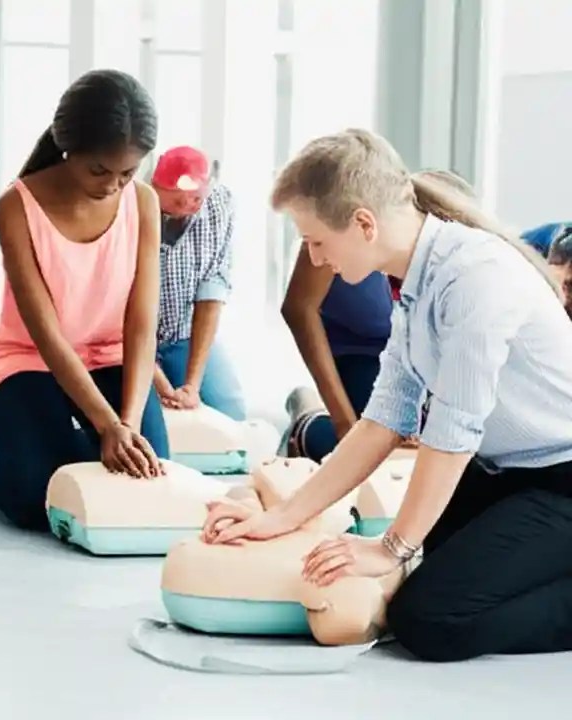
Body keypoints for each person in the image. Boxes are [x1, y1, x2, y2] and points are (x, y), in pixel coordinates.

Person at [202, 128, 572, 663]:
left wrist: (390, 545)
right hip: (507, 474)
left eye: (315, 240)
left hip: (560, 480)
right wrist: (280, 517)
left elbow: (451, 434)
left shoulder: (476, 279)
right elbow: (383, 420)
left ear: (363, 223)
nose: (314, 257)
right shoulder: (417, 279)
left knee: (430, 619)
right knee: (427, 568)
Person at [0, 69, 170, 532]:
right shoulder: (16, 207)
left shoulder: (145, 203)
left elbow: (140, 323)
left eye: (128, 173)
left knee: (144, 473)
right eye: (99, 170)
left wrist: (127, 424)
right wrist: (105, 426)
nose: (113, 185)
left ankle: (33, 435)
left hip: (109, 356)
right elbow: (47, 335)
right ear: (67, 146)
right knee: (42, 497)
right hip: (30, 360)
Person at [280, 170, 475, 461]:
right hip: (358, 360)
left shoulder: (457, 267)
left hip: (416, 370)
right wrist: (344, 422)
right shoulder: (344, 236)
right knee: (358, 452)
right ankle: (307, 413)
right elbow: (298, 308)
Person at [149, 146, 245, 420]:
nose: (186, 209)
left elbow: (213, 287)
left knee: (230, 413)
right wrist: (158, 380)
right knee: (149, 418)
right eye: (175, 203)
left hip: (186, 333)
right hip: (131, 340)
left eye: (194, 200)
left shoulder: (219, 205)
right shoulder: (131, 206)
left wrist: (192, 385)